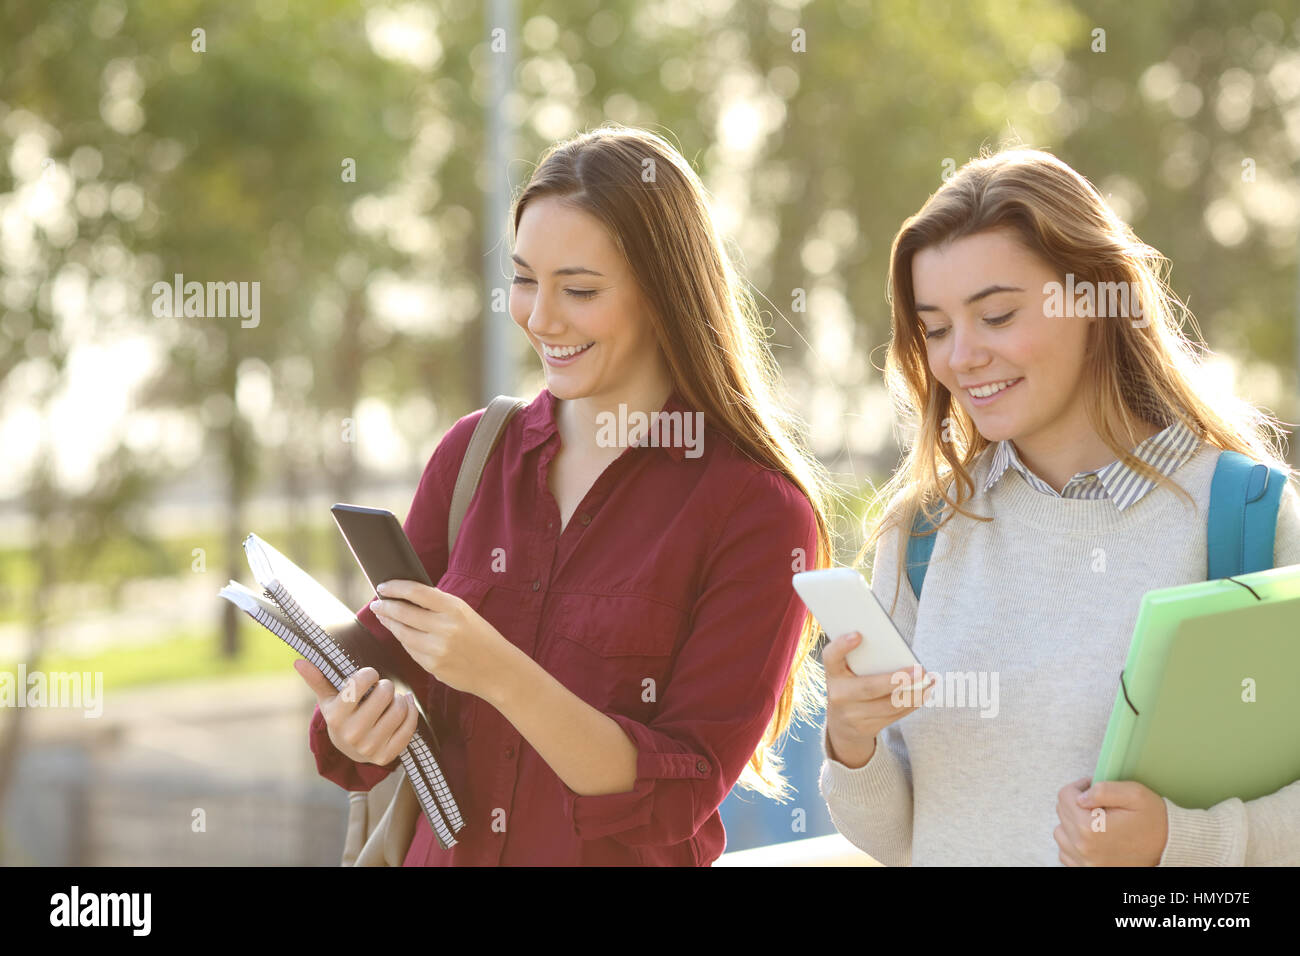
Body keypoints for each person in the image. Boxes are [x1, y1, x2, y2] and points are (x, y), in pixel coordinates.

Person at [295, 125, 834, 865]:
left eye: (578, 290)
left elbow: (681, 790)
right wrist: (354, 725)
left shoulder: (759, 512)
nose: (540, 318)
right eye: (523, 280)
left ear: (663, 292)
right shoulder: (472, 455)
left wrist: (501, 674)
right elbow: (388, 676)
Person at [820, 147, 1300, 866]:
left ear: (1096, 299)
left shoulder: (1249, 517)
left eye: (998, 315)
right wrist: (851, 744)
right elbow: (899, 839)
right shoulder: (923, 531)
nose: (962, 358)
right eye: (938, 328)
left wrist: (1182, 839)